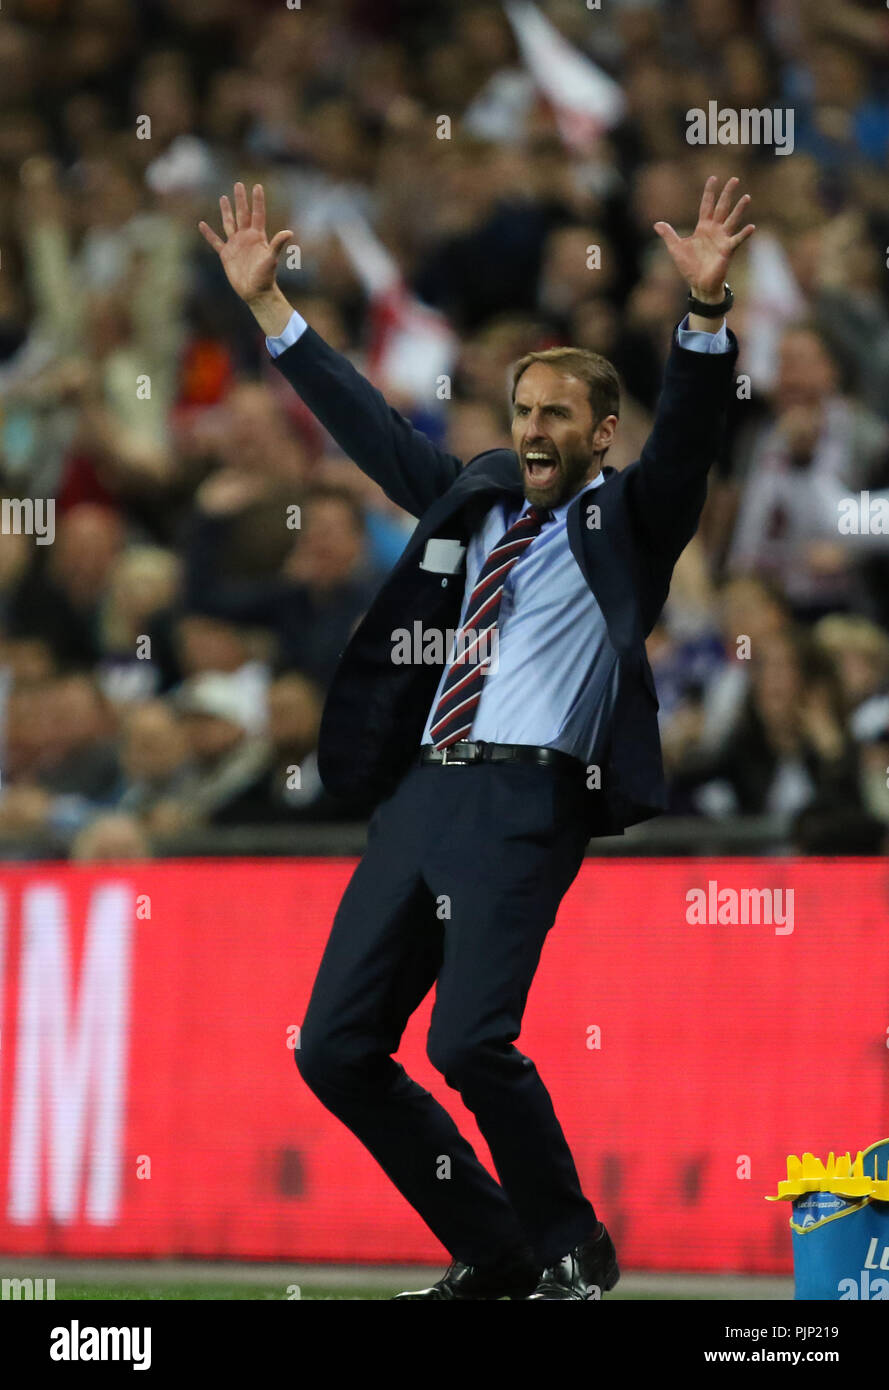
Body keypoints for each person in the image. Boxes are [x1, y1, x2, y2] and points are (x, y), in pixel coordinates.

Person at [199, 176, 754, 1300]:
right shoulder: (473, 499)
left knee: (466, 1046)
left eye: (559, 414)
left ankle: (570, 1243)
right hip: (422, 796)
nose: (534, 431)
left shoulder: (630, 521)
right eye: (522, 411)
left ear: (602, 432)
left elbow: (688, 442)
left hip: (524, 803)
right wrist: (274, 315)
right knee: (335, 1050)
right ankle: (494, 1248)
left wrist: (700, 321)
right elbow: (368, 427)